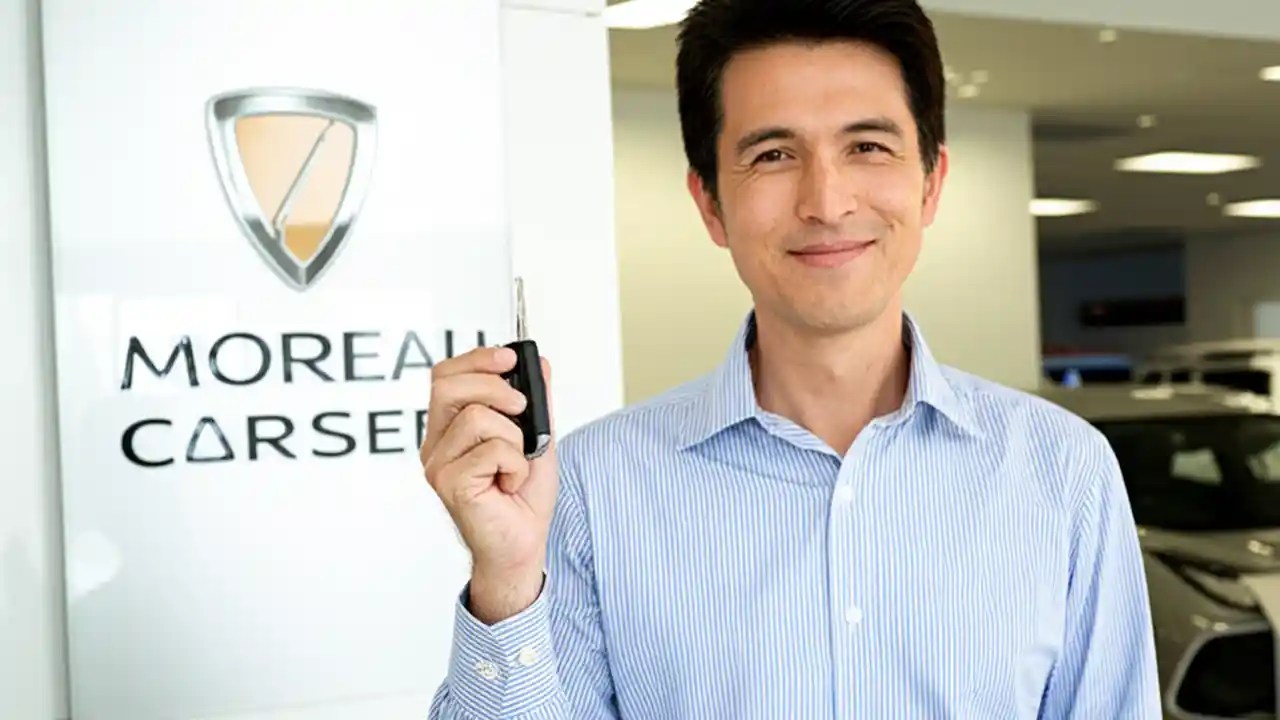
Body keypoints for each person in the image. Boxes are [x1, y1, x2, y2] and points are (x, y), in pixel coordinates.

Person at [422, 0, 1161, 717]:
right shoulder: (591, 487)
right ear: (710, 204)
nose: (827, 201)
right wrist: (508, 581)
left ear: (931, 182)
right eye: (773, 155)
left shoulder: (1062, 470)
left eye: (867, 147)